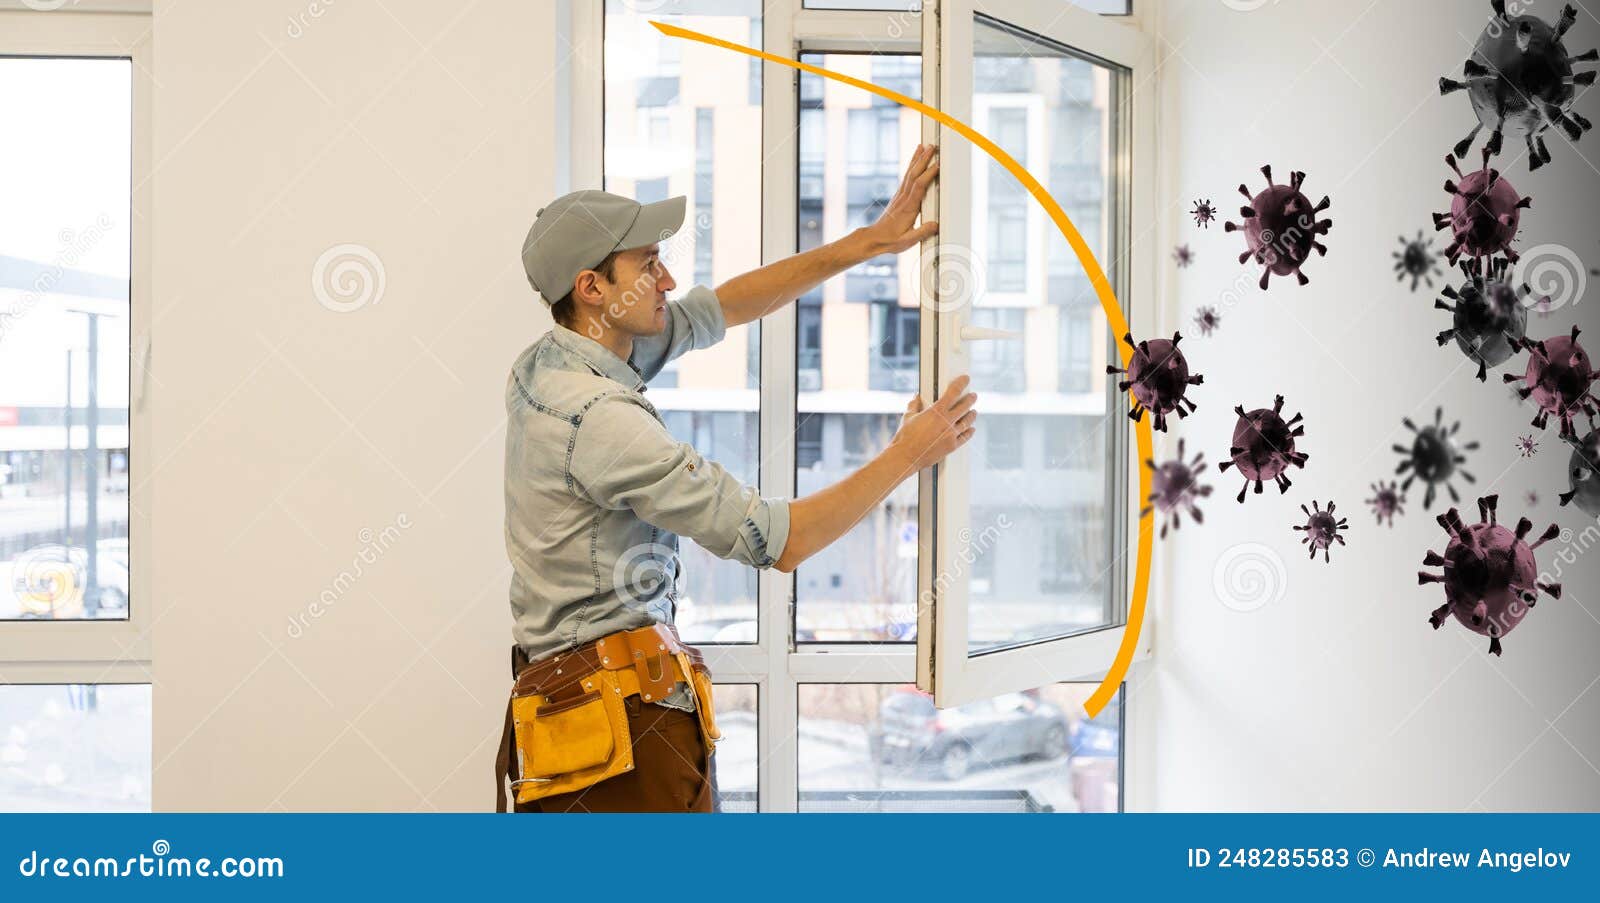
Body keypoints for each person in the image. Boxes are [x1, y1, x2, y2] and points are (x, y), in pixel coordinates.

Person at [496, 145, 977, 812]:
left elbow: (722, 305)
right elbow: (781, 540)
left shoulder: (552, 362)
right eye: (647, 264)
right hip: (618, 740)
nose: (665, 281)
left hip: (568, 712)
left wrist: (868, 242)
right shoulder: (600, 420)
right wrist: (906, 453)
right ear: (592, 289)